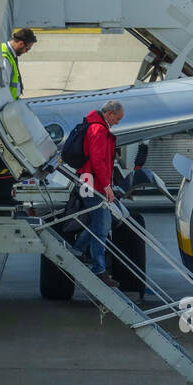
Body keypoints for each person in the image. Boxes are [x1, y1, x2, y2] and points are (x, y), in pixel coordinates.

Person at [71, 100, 124, 285]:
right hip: (93, 184)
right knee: (102, 226)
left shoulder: (94, 126)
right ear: (109, 114)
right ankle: (99, 270)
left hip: (88, 181)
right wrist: (107, 185)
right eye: (117, 118)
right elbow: (97, 161)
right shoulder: (99, 130)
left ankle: (77, 251)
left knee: (98, 222)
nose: (118, 122)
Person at [1, 27, 36, 100]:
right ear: (20, 44)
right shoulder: (5, 58)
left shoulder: (10, 54)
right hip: (9, 102)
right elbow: (3, 87)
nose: (26, 52)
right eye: (27, 49)